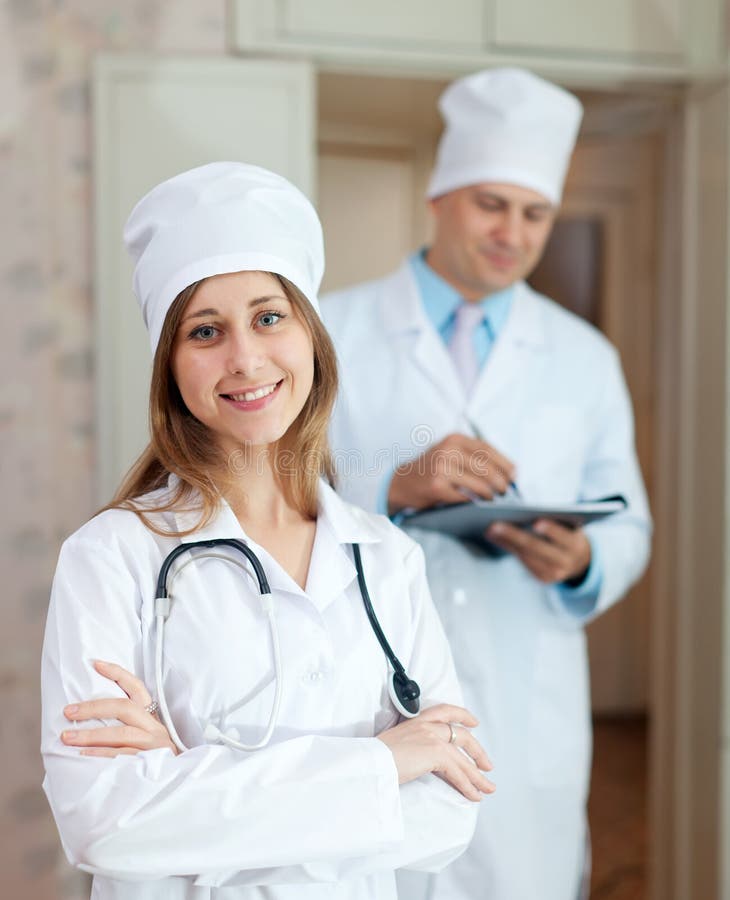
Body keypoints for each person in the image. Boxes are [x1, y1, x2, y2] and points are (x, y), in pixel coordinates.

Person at [40, 162, 496, 900]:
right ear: (171, 366)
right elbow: (103, 823)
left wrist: (186, 788)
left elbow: (448, 815)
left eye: (269, 316)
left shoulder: (387, 560)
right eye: (206, 330)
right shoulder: (111, 557)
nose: (245, 359)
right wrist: (382, 767)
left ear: (310, 335)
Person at [321, 68, 652, 900]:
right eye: (490, 204)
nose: (514, 232)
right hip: (367, 697)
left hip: (524, 692)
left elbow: (631, 524)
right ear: (439, 198)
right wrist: (391, 490)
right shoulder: (331, 331)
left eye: (534, 212)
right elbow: (273, 500)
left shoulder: (584, 357)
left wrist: (582, 559)